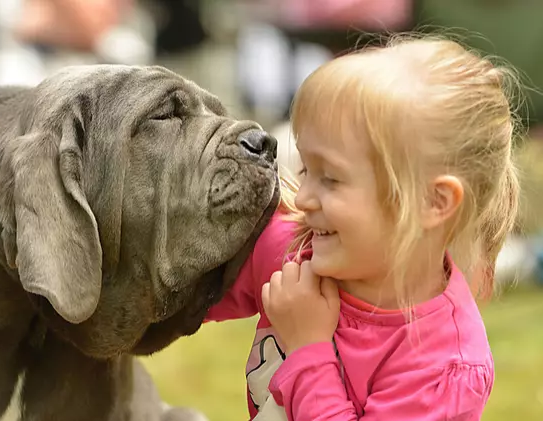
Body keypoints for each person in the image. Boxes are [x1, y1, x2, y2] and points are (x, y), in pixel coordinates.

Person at [206, 33, 521, 420]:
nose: (302, 198)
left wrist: (308, 349)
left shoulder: (443, 366)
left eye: (331, 179)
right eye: (307, 169)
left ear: (433, 202)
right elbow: (175, 287)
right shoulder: (296, 251)